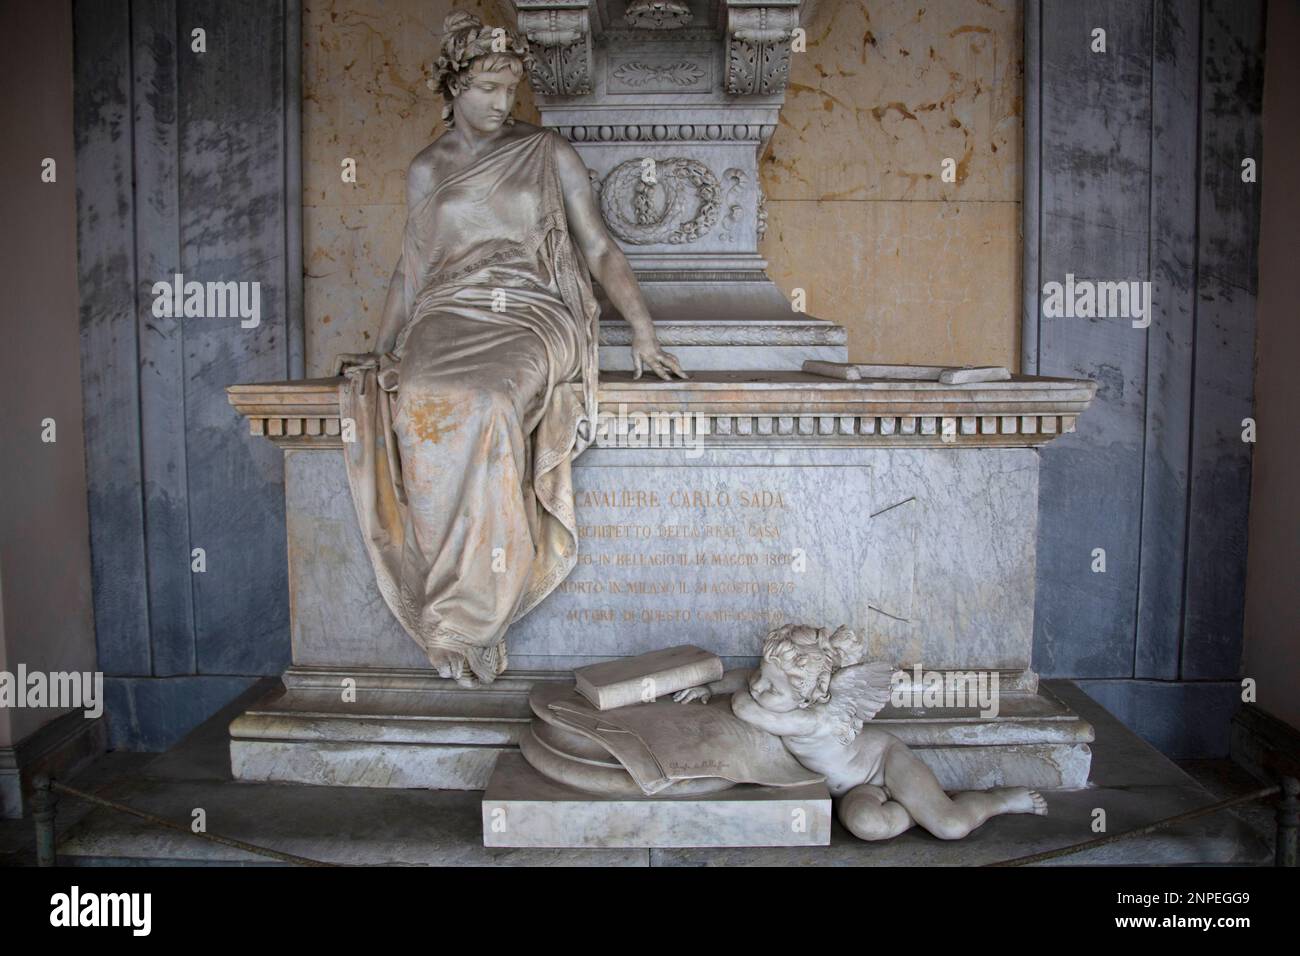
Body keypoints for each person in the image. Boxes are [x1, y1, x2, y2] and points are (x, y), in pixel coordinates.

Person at [332, 12, 686, 687]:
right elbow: (411, 270)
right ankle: (445, 601)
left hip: (531, 312)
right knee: (422, 400)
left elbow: (601, 248)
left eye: (510, 88)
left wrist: (642, 329)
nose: (502, 103)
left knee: (490, 401)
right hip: (447, 312)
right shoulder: (425, 168)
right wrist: (382, 350)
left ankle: (478, 612)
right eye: (488, 88)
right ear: (453, 87)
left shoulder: (547, 151)